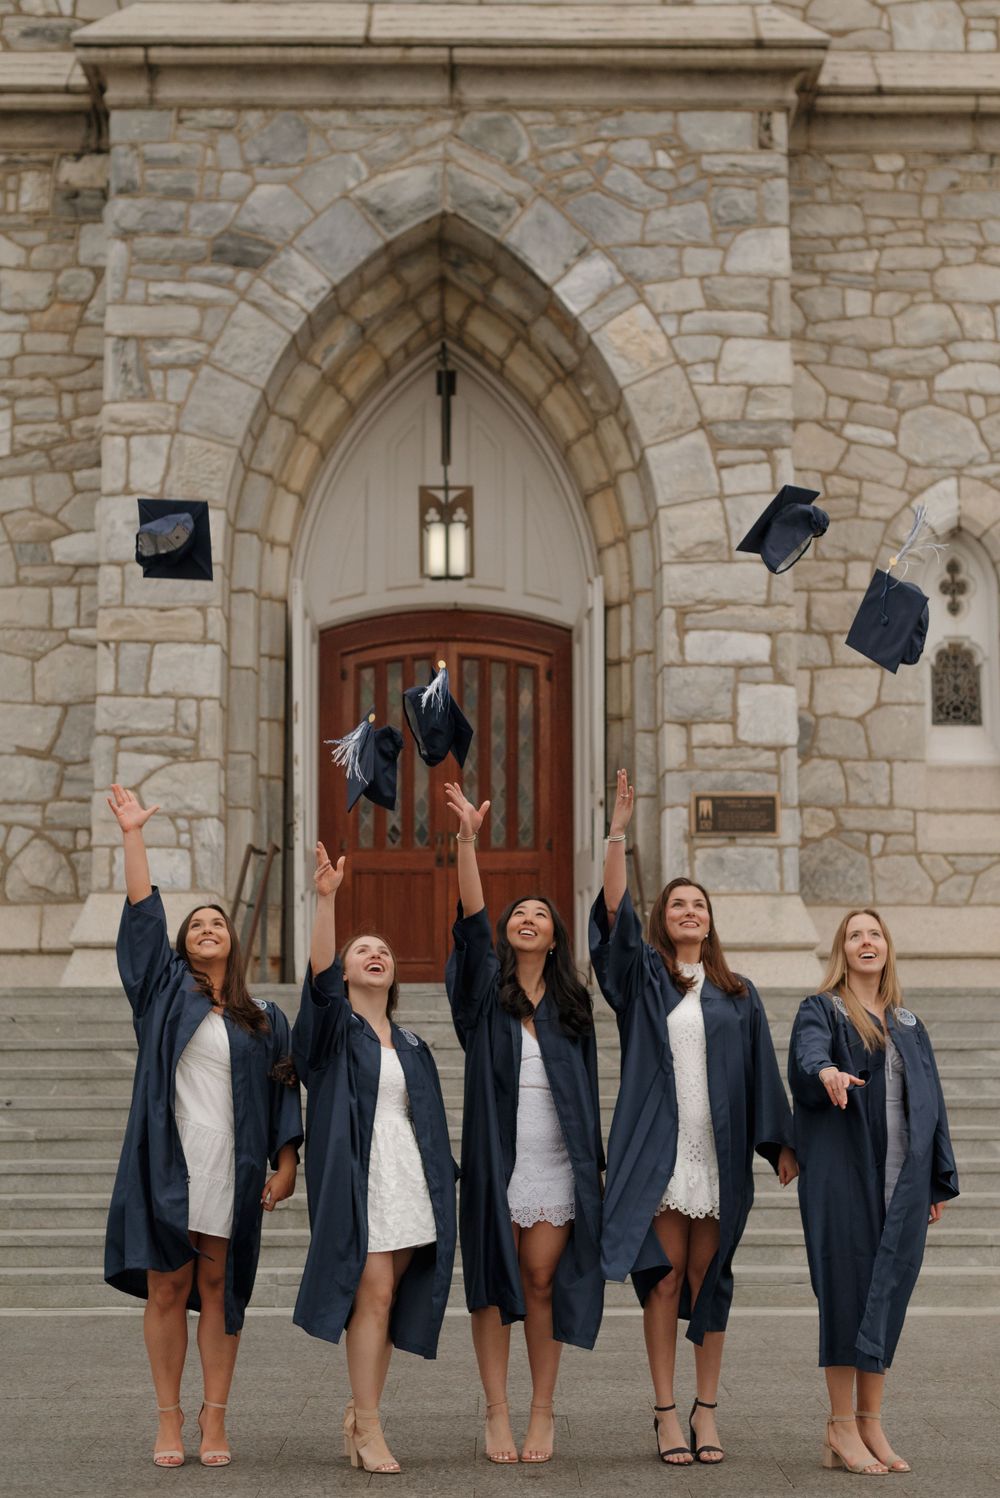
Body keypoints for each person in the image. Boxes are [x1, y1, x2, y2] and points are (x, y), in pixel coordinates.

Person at [591, 769, 797, 1466]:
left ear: (709, 922)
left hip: (717, 1151)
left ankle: (707, 1409)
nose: (688, 911)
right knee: (665, 1277)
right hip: (660, 1151)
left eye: (698, 905)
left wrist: (780, 1143)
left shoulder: (738, 992)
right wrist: (617, 833)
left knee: (711, 1281)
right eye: (677, 904)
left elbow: (761, 1071)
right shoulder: (644, 979)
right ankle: (664, 1412)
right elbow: (613, 921)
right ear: (663, 919)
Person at [104, 784, 302, 1469]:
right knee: (167, 1286)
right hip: (170, 1160)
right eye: (197, 926)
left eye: (219, 923)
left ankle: (215, 1418)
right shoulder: (162, 994)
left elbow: (282, 1091)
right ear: (184, 945)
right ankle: (169, 1418)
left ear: (234, 941)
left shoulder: (264, 1018)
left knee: (219, 1289)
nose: (208, 928)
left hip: (232, 1165)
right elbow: (141, 918)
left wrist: (286, 1162)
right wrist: (133, 834)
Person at [444, 782, 604, 1466]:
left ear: (556, 934)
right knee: (491, 1287)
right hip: (496, 1162)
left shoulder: (572, 1006)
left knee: (541, 1283)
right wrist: (468, 843)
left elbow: (588, 1093)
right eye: (520, 913)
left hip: (555, 1165)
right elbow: (471, 922)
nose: (529, 918)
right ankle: (497, 1413)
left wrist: (596, 1165)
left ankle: (542, 1411)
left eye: (541, 913)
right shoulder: (484, 994)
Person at [291, 843, 457, 1475]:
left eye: (383, 950)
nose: (376, 954)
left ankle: (362, 1413)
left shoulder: (411, 1043)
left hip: (406, 1172)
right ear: (345, 973)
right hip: (359, 1174)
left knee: (383, 1304)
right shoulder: (335, 1034)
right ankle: (369, 1426)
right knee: (375, 1289)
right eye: (362, 950)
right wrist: (327, 900)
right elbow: (317, 984)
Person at [789, 908, 959, 1476]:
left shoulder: (909, 1023)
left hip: (903, 1179)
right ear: (843, 949)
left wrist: (935, 1176)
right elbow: (808, 1053)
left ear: (887, 947)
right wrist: (826, 1073)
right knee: (846, 1290)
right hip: (843, 1172)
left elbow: (932, 1102)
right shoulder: (823, 1009)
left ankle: (870, 1421)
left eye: (875, 933)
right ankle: (840, 1424)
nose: (867, 941)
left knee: (887, 1292)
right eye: (855, 934)